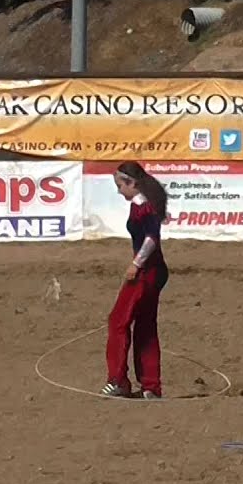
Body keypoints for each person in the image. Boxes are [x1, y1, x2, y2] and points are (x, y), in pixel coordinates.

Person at [101, 161, 170, 400]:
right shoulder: (147, 205)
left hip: (146, 272)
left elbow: (152, 239)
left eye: (121, 185)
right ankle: (151, 385)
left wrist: (136, 264)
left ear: (132, 183)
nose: (119, 191)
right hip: (155, 271)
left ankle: (118, 380)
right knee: (145, 326)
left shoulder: (143, 207)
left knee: (118, 321)